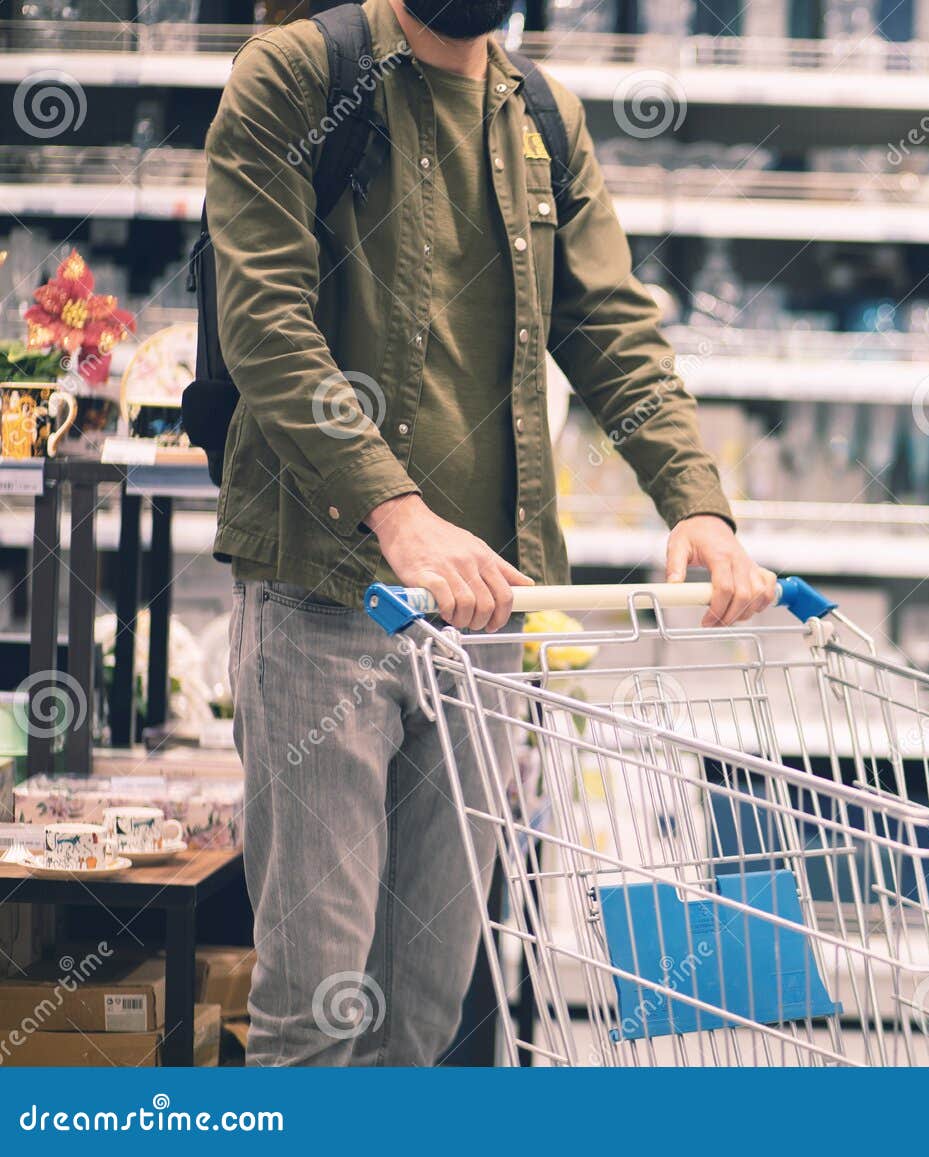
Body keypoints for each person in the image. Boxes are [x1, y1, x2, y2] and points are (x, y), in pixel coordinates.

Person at [207, 0, 774, 1064]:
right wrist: (400, 513)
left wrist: (695, 499)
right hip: (327, 599)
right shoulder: (295, 76)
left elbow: (609, 323)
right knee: (316, 1013)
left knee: (421, 1016)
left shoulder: (545, 117)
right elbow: (266, 325)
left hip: (489, 628)